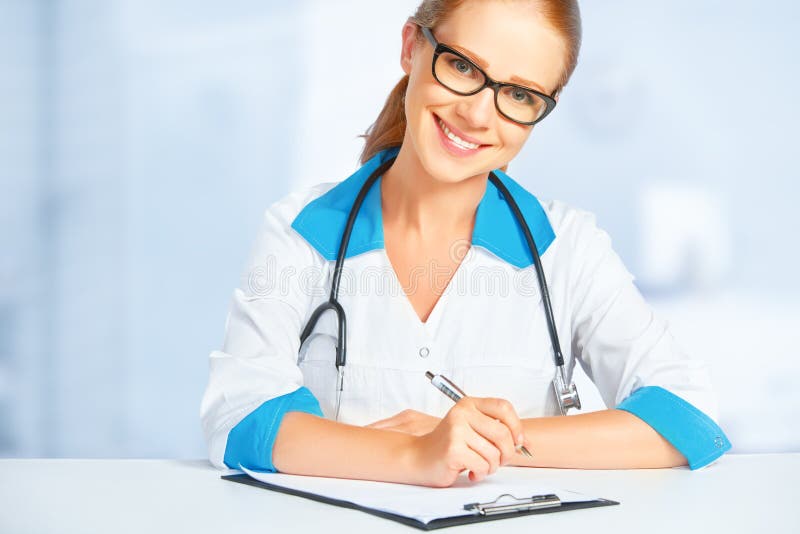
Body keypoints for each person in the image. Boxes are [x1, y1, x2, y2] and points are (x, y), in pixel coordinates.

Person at [200, 0, 730, 488]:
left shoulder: (566, 249)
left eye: (519, 94)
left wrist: (478, 441)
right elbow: (242, 418)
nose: (478, 115)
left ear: (545, 107)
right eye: (462, 67)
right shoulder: (301, 233)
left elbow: (686, 417)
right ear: (412, 47)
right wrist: (415, 456)